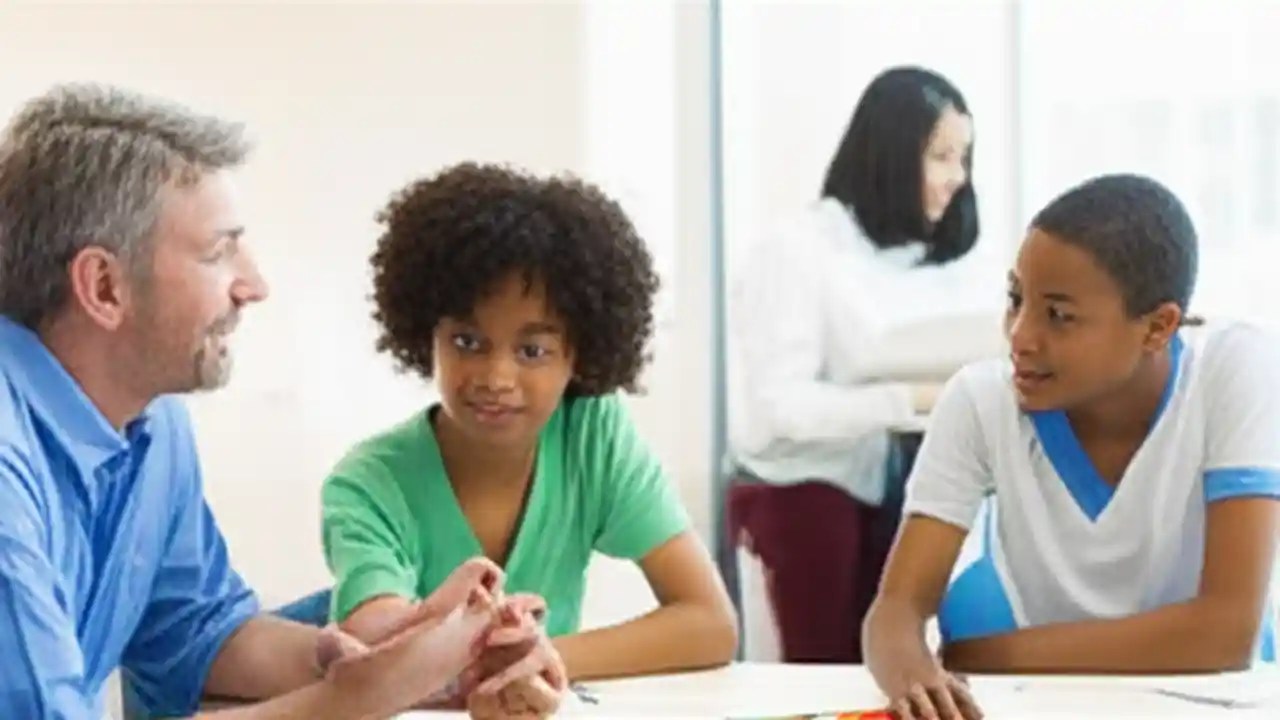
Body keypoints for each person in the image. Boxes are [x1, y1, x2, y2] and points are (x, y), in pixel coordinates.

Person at [0, 83, 558, 720]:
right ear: (104, 286)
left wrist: (422, 659)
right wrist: (354, 699)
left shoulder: (151, 422)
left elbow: (198, 634)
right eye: (218, 253)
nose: (254, 285)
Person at [864, 174, 1280, 720]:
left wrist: (982, 655)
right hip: (1044, 704)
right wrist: (915, 676)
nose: (1020, 335)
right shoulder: (979, 400)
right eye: (1016, 299)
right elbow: (895, 613)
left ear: (1158, 327)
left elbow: (1224, 633)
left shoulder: (1233, 369)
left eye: (1058, 315)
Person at [321, 162, 739, 682]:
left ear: (578, 355)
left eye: (533, 350)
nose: (497, 376)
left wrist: (537, 660)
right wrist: (501, 665)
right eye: (468, 342)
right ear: (425, 335)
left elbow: (709, 623)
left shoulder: (592, 435)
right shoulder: (369, 481)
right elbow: (372, 637)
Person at [725, 65, 999, 663]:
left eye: (964, 158)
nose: (957, 177)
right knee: (826, 669)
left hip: (889, 485)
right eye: (941, 156)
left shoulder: (922, 264)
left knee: (892, 663)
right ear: (892, 157)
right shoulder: (797, 250)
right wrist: (912, 400)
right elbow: (781, 408)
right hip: (802, 489)